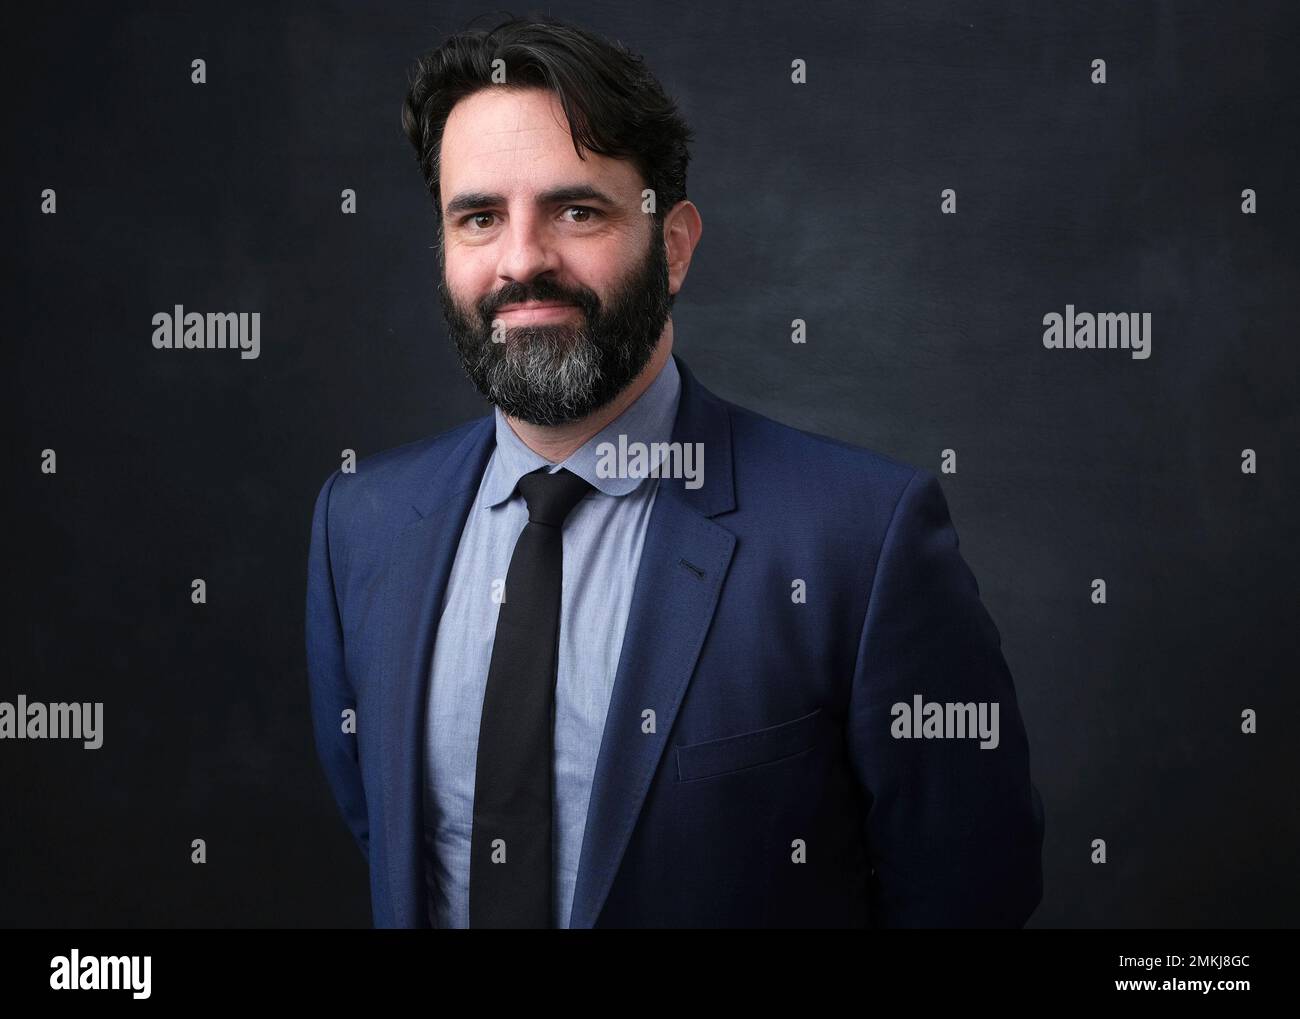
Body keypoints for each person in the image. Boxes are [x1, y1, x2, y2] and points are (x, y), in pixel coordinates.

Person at [306, 14, 1044, 928]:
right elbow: (389, 840)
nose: (523, 259)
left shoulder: (863, 540)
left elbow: (968, 893)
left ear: (675, 244)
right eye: (480, 217)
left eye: (578, 210)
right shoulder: (360, 524)